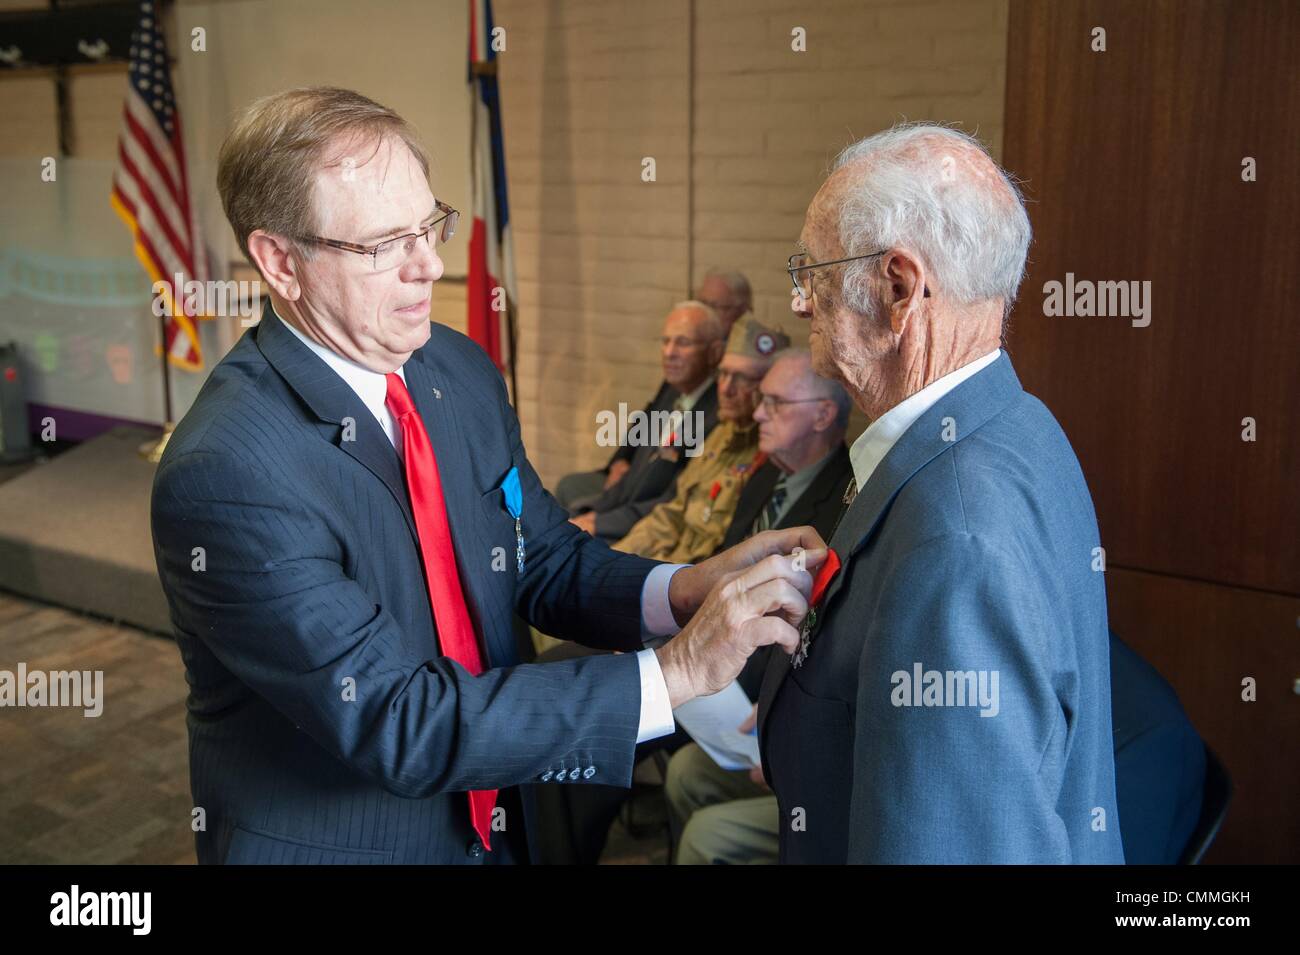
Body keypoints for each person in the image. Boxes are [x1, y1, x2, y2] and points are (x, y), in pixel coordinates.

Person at [150, 86, 824, 865]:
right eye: (385, 243)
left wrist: (683, 589)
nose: (429, 265)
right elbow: (402, 719)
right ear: (278, 261)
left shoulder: (456, 371)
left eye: (430, 224)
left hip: (503, 822)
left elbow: (539, 553)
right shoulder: (228, 471)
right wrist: (676, 671)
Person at [758, 122, 1125, 863]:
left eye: (815, 272)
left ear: (899, 288)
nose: (800, 304)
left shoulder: (955, 535)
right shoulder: (1018, 420)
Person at [666, 349, 854, 865]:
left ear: (822, 415)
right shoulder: (765, 478)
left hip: (760, 694)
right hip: (722, 683)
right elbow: (715, 575)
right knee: (678, 770)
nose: (756, 414)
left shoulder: (845, 504)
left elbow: (814, 634)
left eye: (774, 402)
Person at [612, 315, 789, 564]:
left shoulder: (773, 457)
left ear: (769, 386)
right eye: (724, 374)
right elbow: (672, 514)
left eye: (744, 378)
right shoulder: (720, 434)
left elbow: (724, 553)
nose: (726, 389)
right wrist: (616, 560)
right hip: (666, 566)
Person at [565, 301, 724, 539]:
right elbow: (635, 472)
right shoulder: (672, 391)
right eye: (666, 341)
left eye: (683, 342)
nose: (669, 352)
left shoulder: (716, 417)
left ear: (714, 352)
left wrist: (601, 522)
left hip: (650, 532)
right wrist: (592, 513)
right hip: (624, 510)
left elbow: (673, 502)